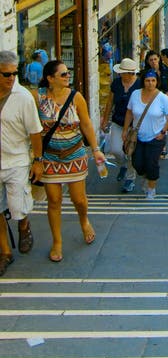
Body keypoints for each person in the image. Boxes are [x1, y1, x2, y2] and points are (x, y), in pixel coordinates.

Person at [36, 60, 107, 262]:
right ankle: (57, 242)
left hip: (74, 155)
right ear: (50, 79)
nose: (68, 77)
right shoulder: (38, 97)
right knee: (54, 201)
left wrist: (96, 149)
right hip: (50, 157)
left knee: (79, 199)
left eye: (68, 73)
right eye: (63, 74)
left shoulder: (76, 97)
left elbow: (85, 124)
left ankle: (84, 220)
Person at [0, 50, 43, 276]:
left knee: (18, 208)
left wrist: (38, 160)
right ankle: (5, 253)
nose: (11, 78)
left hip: (16, 161)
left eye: (14, 74)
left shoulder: (23, 97)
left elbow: (35, 132)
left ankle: (24, 226)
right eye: (6, 74)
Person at [122, 68, 168, 199]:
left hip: (156, 137)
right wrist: (125, 130)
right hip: (138, 137)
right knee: (138, 164)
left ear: (157, 82)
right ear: (143, 81)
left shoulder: (162, 98)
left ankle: (151, 189)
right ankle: (146, 177)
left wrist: (163, 131)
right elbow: (129, 112)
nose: (150, 83)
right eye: (147, 80)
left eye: (153, 80)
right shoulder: (135, 94)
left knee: (152, 164)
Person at [100, 57, 142, 193]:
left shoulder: (140, 85)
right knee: (115, 149)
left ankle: (130, 178)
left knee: (130, 152)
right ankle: (123, 166)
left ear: (131, 73)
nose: (121, 74)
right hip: (118, 121)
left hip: (134, 125)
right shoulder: (116, 84)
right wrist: (105, 119)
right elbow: (110, 102)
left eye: (123, 72)